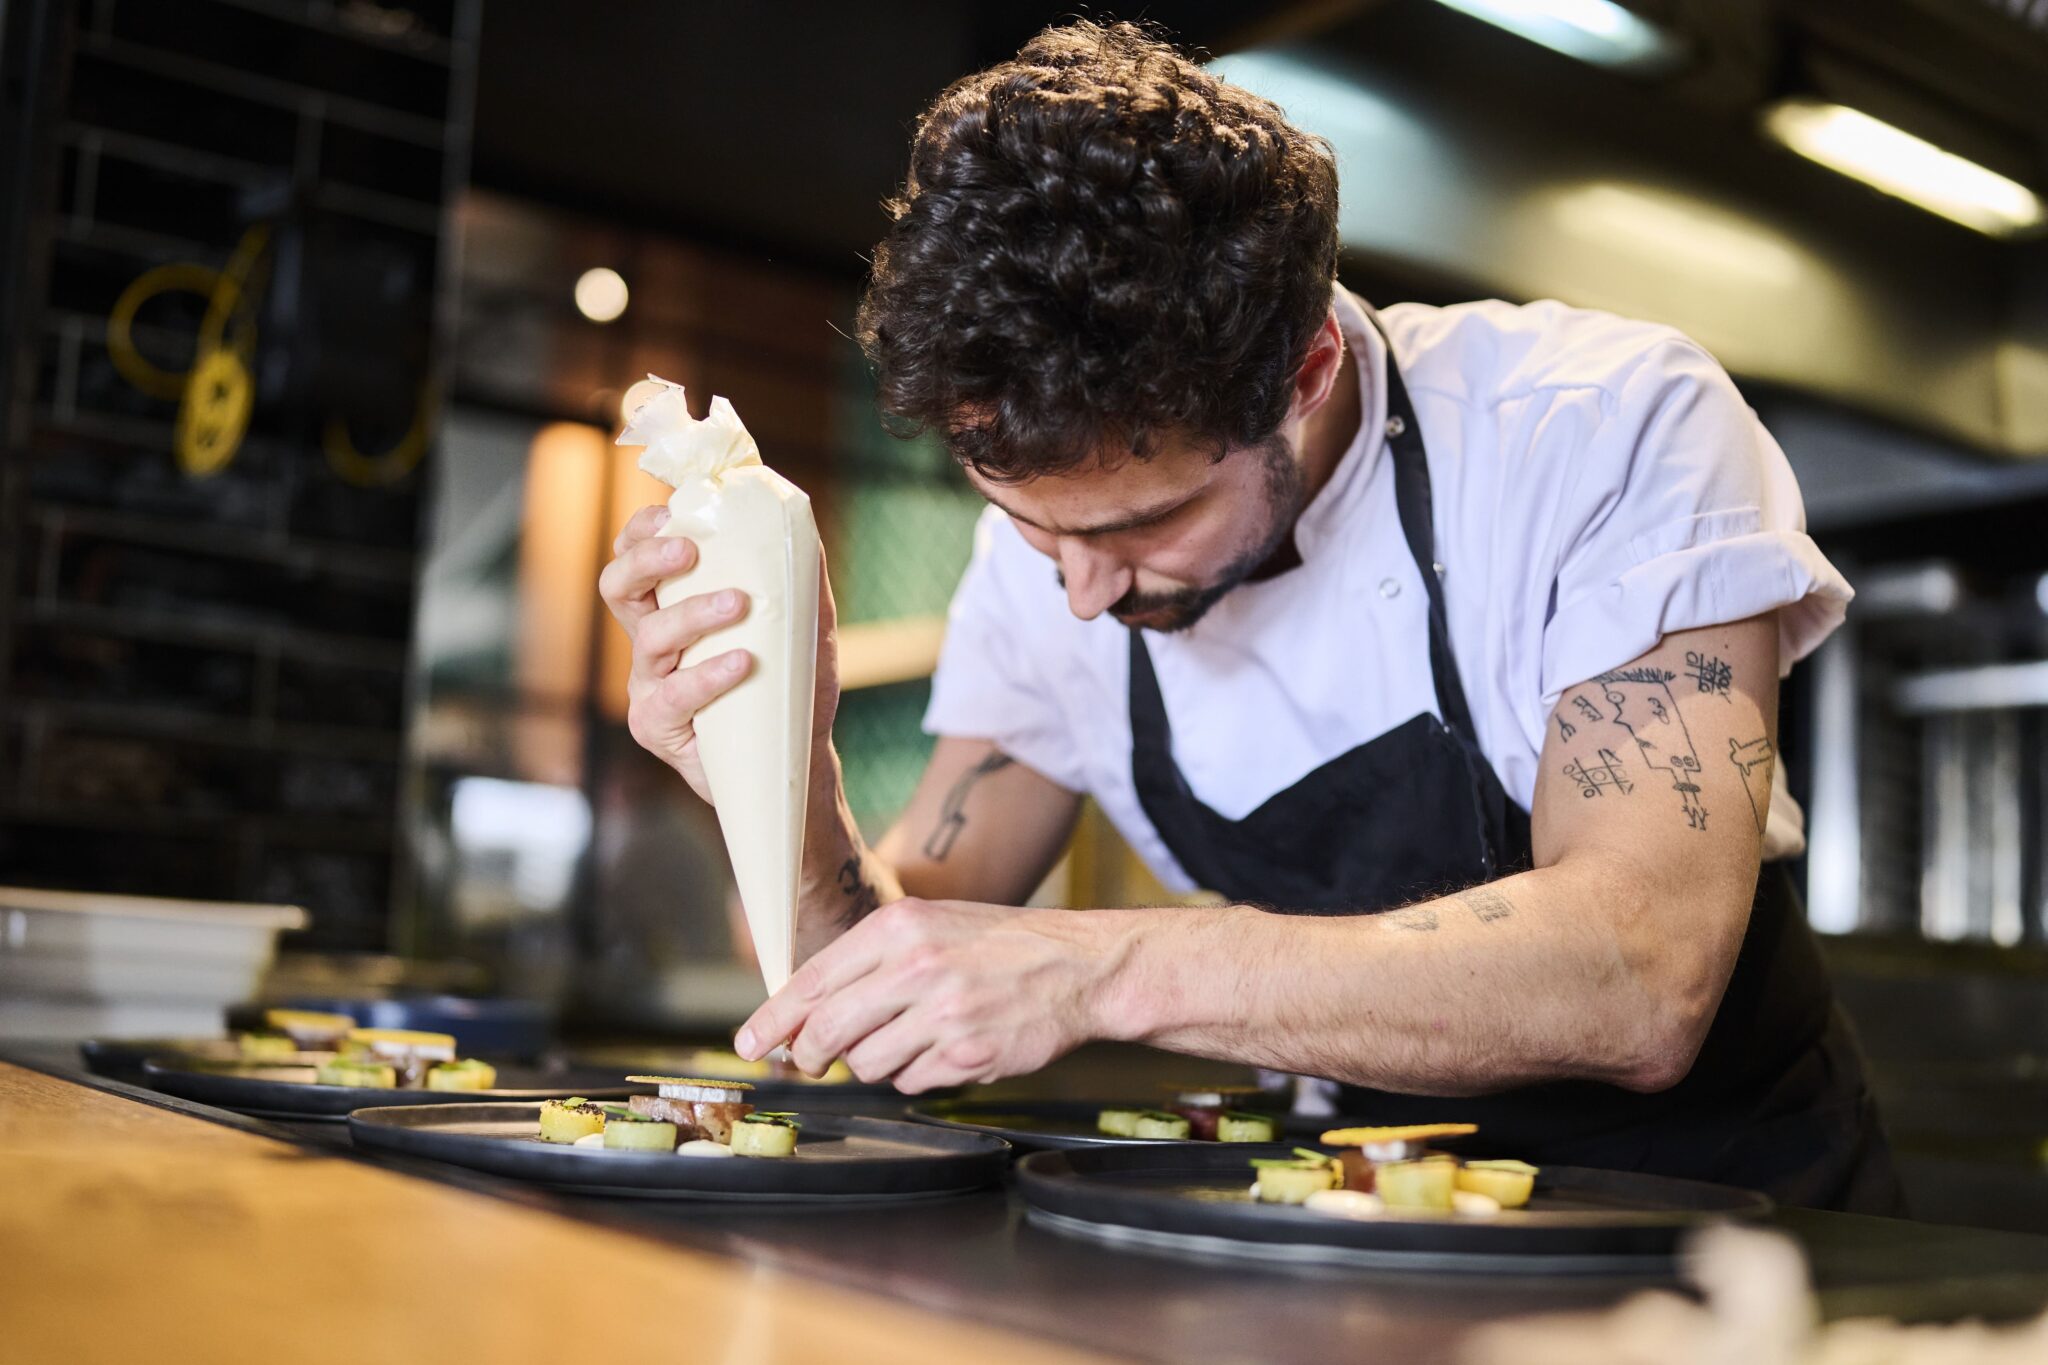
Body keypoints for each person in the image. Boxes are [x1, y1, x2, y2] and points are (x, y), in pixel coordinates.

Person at [599, 20, 1901, 1212]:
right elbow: (878, 986)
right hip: (1366, 1226)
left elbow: (1640, 971)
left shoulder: (1600, 431)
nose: (1078, 589)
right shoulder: (1040, 566)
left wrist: (1098, 971)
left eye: (1133, 529)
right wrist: (784, 766)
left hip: (1730, 1235)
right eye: (1033, 524)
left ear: (1307, 371)